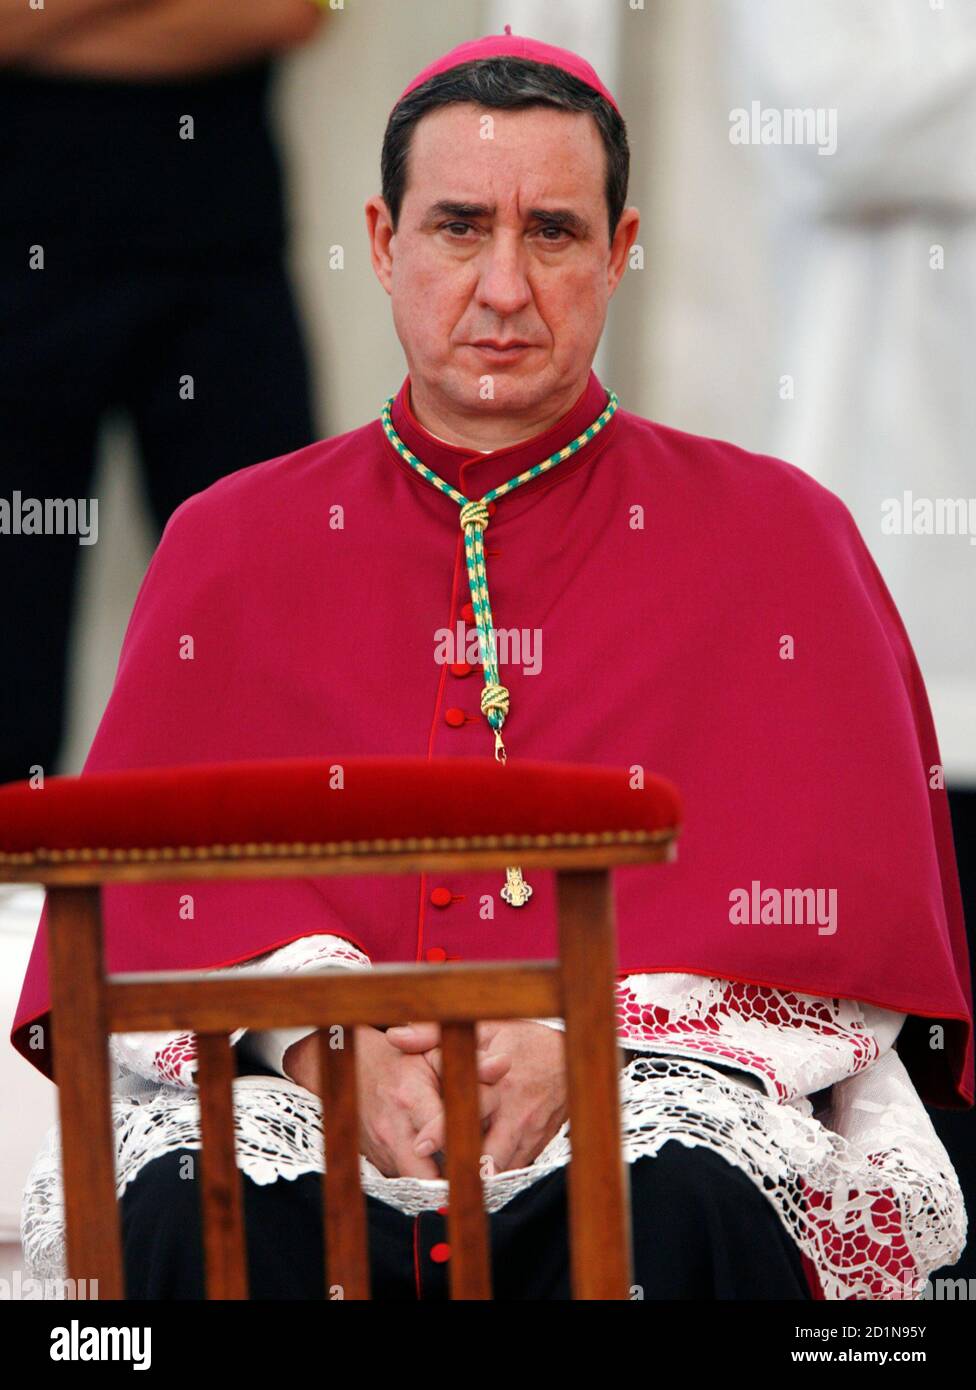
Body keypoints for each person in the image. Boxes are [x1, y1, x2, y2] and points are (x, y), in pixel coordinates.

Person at [10, 28, 973, 1301]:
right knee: (187, 1217)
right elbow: (138, 915)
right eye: (460, 227)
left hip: (647, 1090)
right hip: (316, 1094)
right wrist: (319, 1045)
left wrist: (583, 1036)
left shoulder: (781, 536)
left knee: (686, 1203)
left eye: (555, 233)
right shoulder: (230, 543)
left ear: (621, 251)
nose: (505, 288)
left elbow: (849, 933)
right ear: (385, 238)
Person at [0, 0, 327, 787]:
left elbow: (287, 12)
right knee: (10, 669)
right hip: (18, 254)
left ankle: (280, 907)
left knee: (273, 645)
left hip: (219, 253)